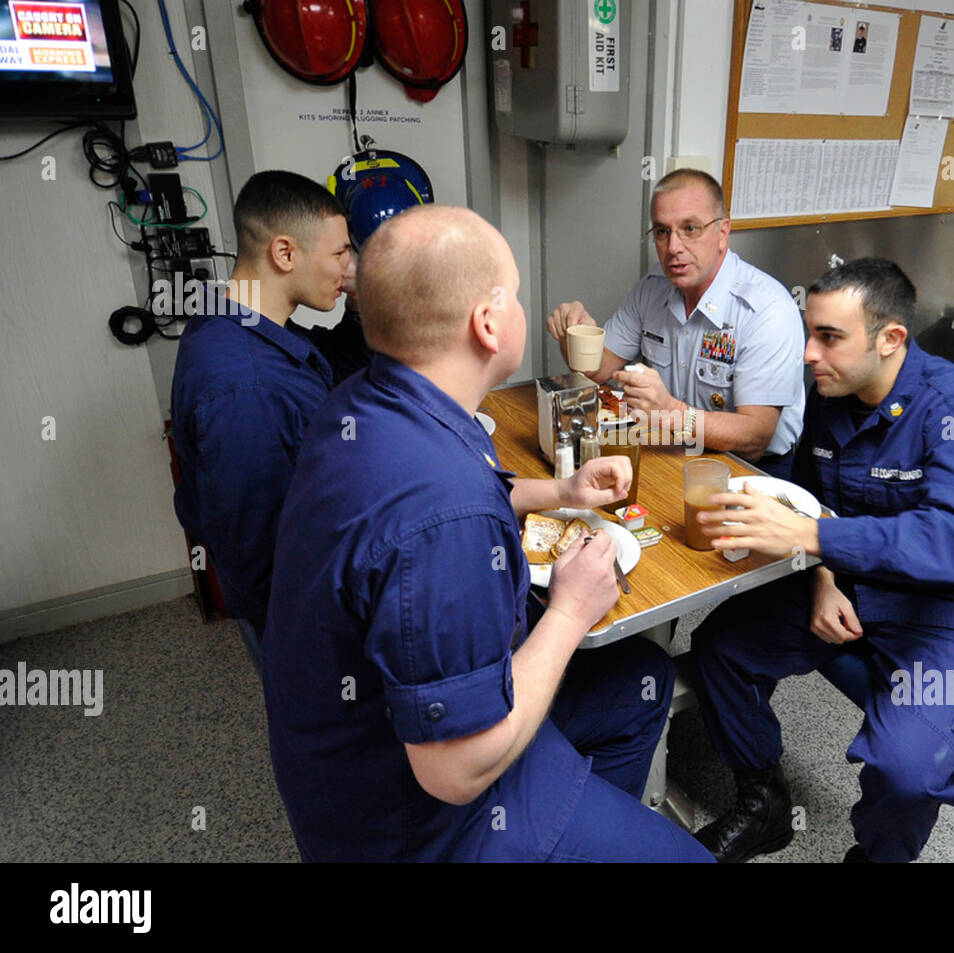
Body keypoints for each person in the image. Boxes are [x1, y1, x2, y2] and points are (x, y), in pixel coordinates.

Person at [261, 205, 713, 862]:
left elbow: (457, 493)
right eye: (520, 296)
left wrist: (562, 492)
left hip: (342, 750)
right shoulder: (445, 510)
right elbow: (455, 770)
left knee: (636, 683)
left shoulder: (364, 401)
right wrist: (569, 610)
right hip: (425, 819)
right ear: (489, 322)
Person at [689, 258, 954, 863]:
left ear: (890, 338)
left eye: (829, 337)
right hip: (846, 583)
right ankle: (763, 802)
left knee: (906, 771)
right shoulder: (832, 392)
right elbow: (812, 496)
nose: (808, 354)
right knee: (721, 649)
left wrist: (814, 541)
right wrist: (822, 578)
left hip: (946, 609)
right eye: (808, 332)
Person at [170, 170, 369, 653]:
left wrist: (362, 305)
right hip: (297, 611)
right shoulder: (245, 387)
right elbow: (258, 551)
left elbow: (326, 365)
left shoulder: (238, 321)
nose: (349, 266)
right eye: (341, 252)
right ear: (285, 253)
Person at [546, 169, 806, 480]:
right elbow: (599, 371)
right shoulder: (653, 288)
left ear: (723, 232)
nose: (673, 248)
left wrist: (670, 412)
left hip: (750, 471)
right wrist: (576, 335)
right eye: (662, 232)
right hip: (671, 448)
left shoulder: (767, 309)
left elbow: (755, 436)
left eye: (690, 229)